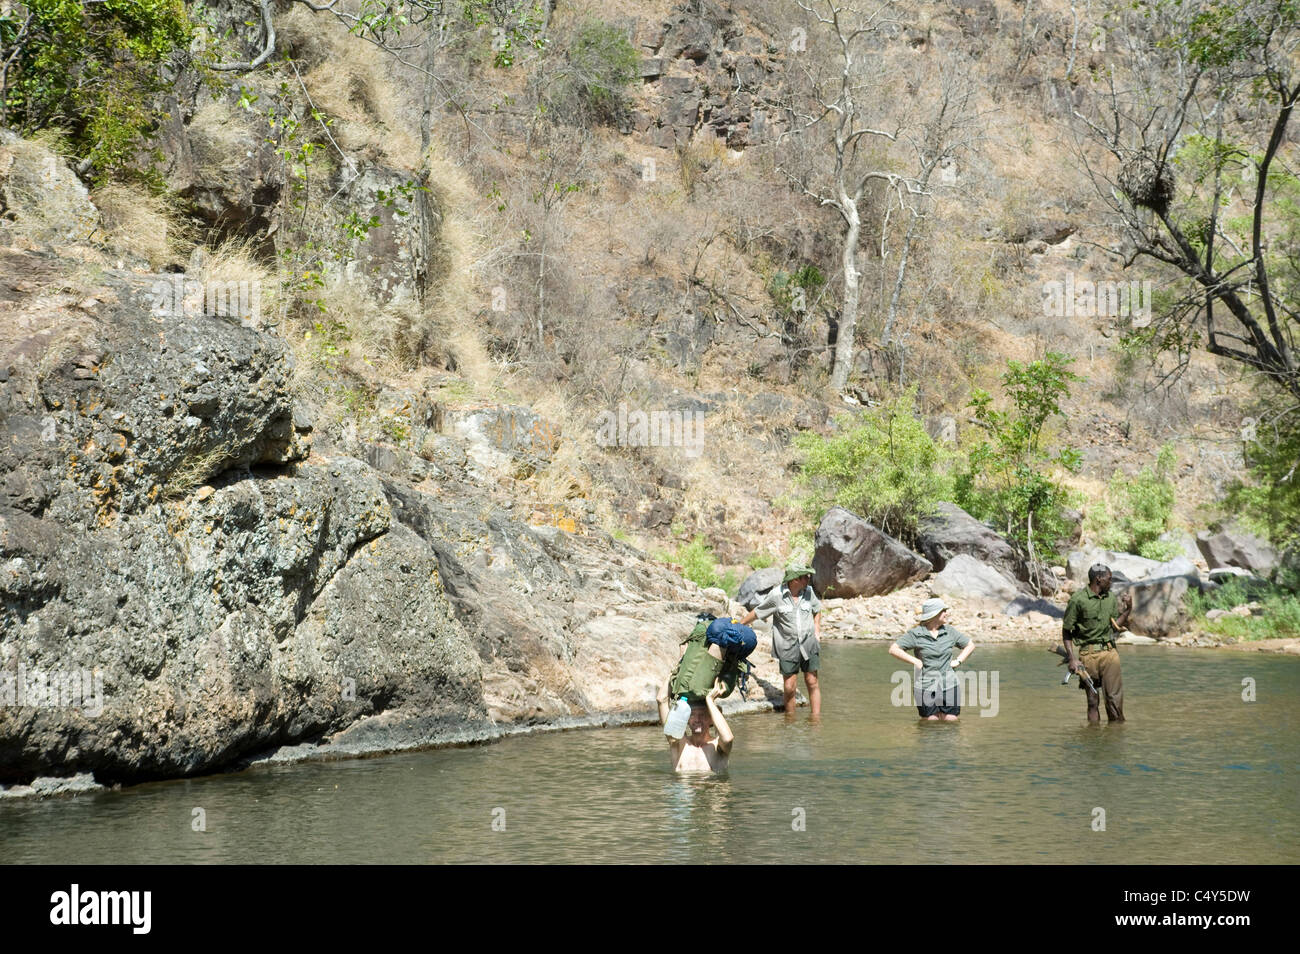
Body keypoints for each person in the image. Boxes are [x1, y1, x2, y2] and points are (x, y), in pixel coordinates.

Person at [735, 565, 822, 718]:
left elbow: (817, 609)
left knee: (812, 681)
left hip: (809, 643)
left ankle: (816, 720)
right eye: (805, 576)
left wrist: (817, 631)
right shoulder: (776, 595)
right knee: (789, 687)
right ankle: (790, 722)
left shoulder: (809, 592)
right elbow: (758, 612)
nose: (809, 579)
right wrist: (739, 624)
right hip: (787, 646)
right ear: (795, 579)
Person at [1062, 563, 1131, 723]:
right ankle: (1093, 739)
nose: (1111, 582)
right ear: (1098, 579)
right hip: (1088, 656)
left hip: (1110, 654)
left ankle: (1114, 738)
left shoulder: (1111, 598)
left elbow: (1115, 626)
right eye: (1109, 579)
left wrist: (1128, 610)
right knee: (1092, 701)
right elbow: (1066, 631)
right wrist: (1072, 658)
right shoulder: (1078, 600)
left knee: (1114, 701)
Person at [888, 598, 975, 721]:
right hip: (925, 685)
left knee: (951, 719)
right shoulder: (916, 634)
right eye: (943, 610)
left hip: (949, 684)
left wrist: (958, 660)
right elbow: (894, 649)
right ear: (935, 614)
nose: (947, 613)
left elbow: (970, 645)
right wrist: (915, 661)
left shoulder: (949, 632)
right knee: (931, 721)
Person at [658, 677, 733, 773]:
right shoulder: (677, 742)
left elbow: (728, 739)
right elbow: (661, 700)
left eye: (702, 715)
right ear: (687, 719)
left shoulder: (718, 746)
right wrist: (673, 674)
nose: (697, 720)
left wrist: (709, 700)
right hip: (681, 788)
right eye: (692, 715)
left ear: (711, 720)